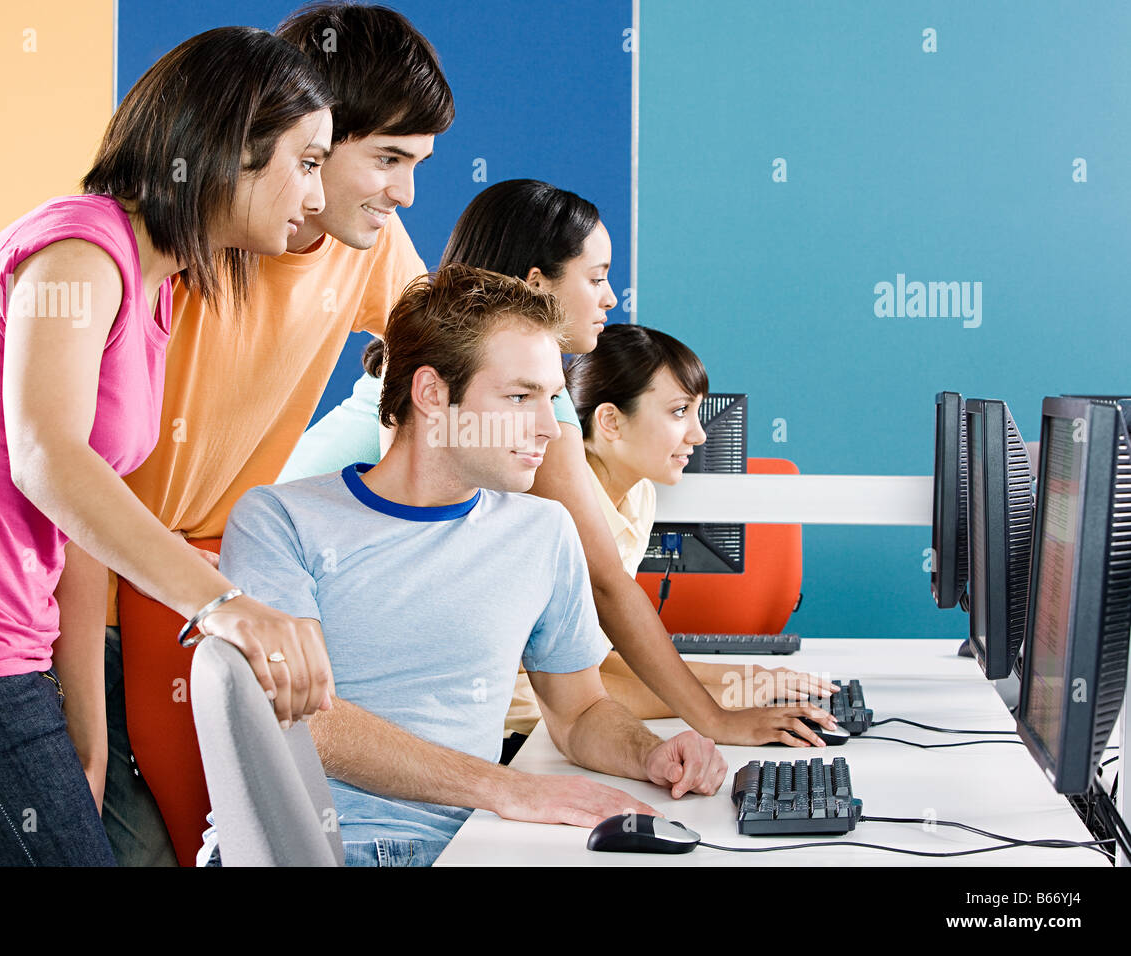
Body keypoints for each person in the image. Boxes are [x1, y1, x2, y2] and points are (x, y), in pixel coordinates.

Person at [0, 26, 337, 866]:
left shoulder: (157, 289)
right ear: (229, 147)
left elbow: (87, 513)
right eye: (307, 161)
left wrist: (87, 733)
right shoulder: (80, 249)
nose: (315, 197)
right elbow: (47, 458)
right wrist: (222, 602)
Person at [282, 179, 837, 758]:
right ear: (535, 284)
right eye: (595, 277)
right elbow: (604, 583)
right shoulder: (454, 391)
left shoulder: (494, 381)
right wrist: (715, 718)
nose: (611, 299)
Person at [205, 264, 728, 867]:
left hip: (470, 846)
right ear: (432, 394)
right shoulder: (278, 521)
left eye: (551, 399)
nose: (547, 428)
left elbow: (579, 710)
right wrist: (507, 788)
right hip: (322, 847)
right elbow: (304, 719)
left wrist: (649, 754)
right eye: (518, 396)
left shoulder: (543, 530)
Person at [94, 2, 454, 865]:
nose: (406, 192)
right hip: (98, 589)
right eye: (390, 159)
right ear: (306, 140)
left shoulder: (366, 241)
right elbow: (68, 468)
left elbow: (451, 357)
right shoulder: (181, 242)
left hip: (216, 587)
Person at [566, 323, 828, 724]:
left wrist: (748, 677)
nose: (700, 435)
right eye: (678, 412)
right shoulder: (560, 516)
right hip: (520, 741)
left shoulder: (638, 495)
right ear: (610, 422)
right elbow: (557, 688)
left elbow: (597, 660)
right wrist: (728, 700)